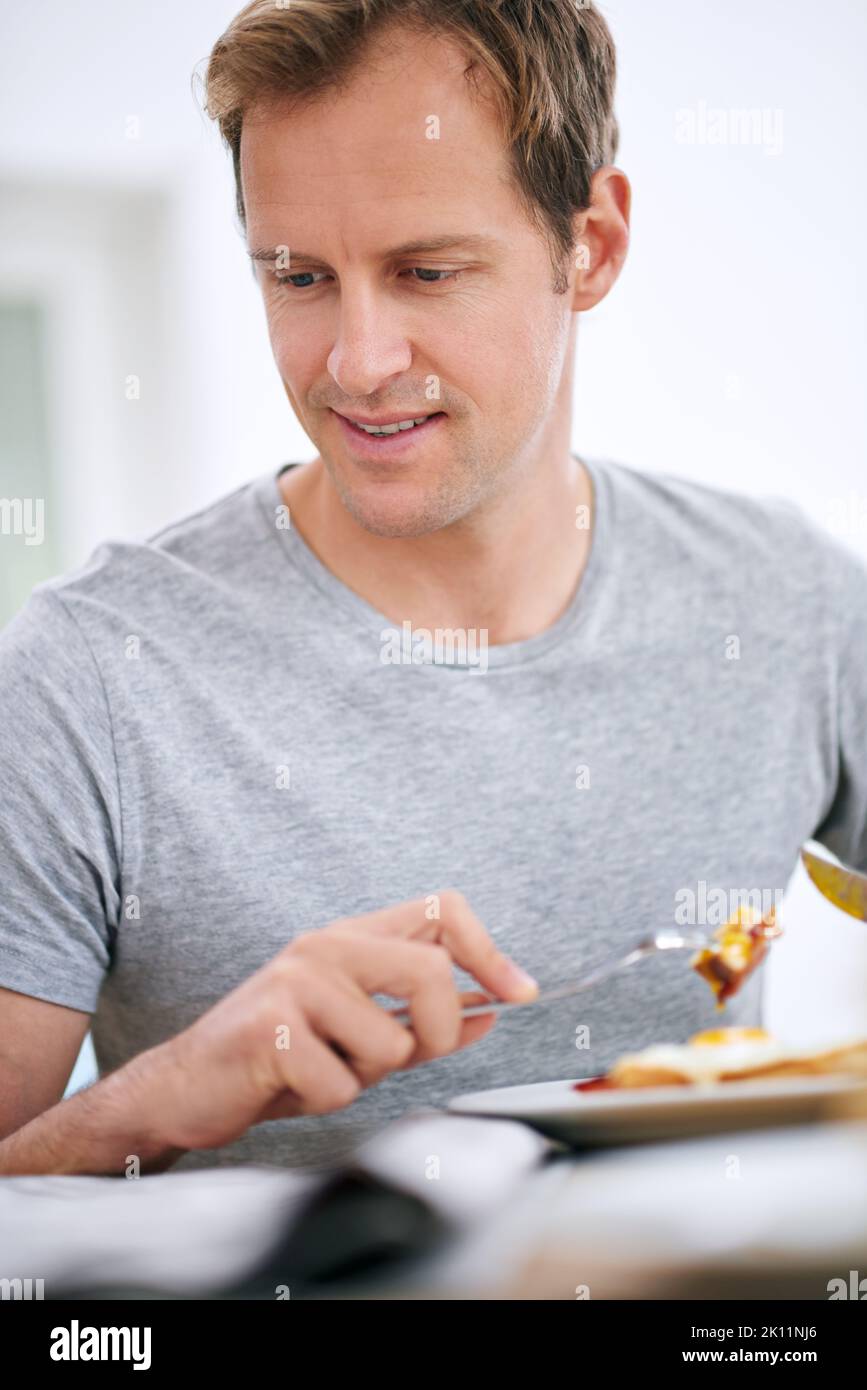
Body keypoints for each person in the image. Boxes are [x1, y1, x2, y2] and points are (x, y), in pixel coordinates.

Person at [1, 0, 865, 1175]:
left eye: (426, 271)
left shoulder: (791, 604)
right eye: (300, 276)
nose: (357, 363)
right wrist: (150, 1102)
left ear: (592, 245)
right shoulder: (87, 675)